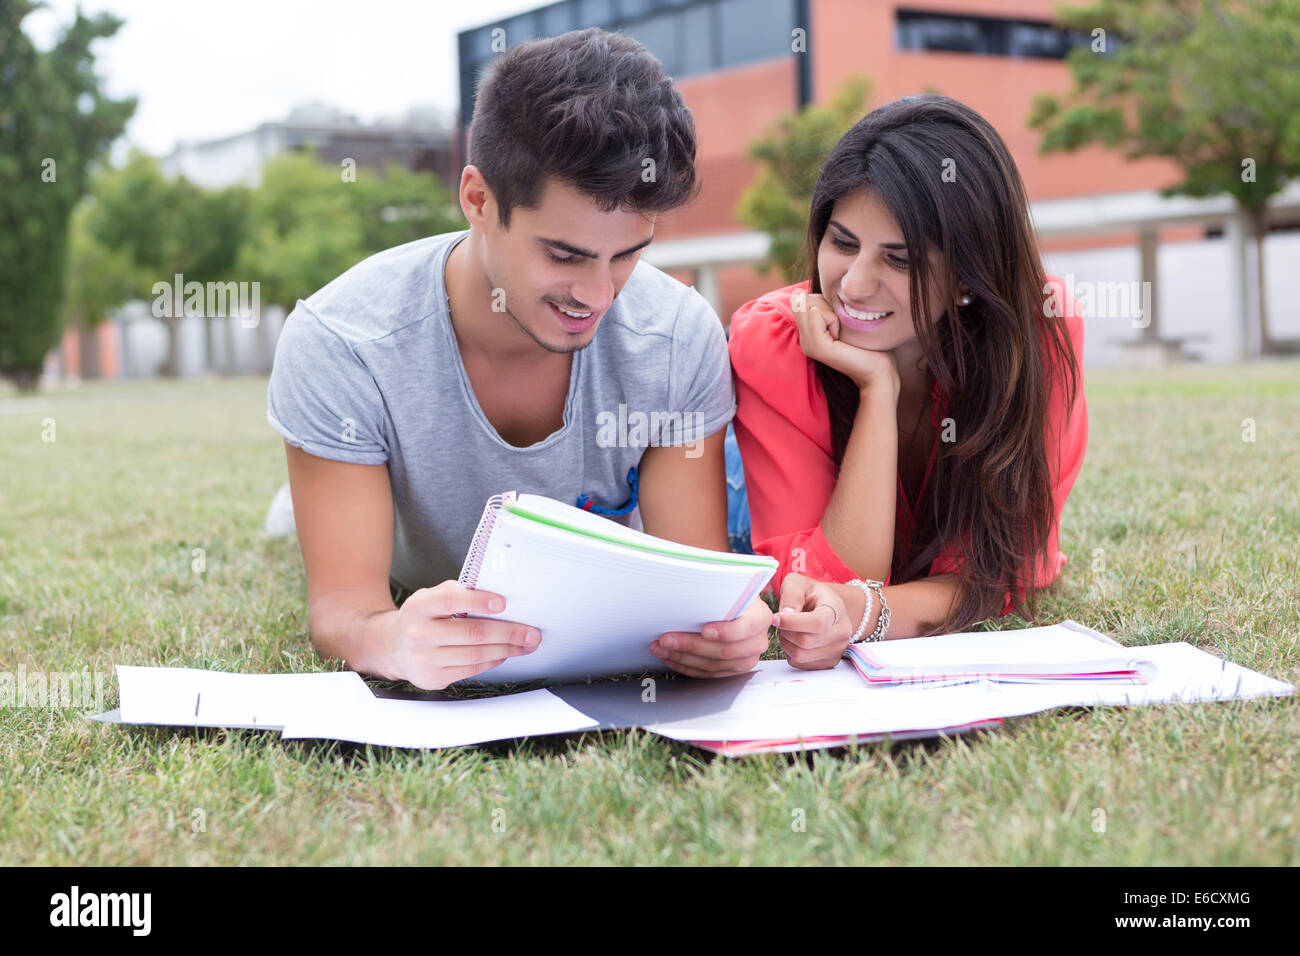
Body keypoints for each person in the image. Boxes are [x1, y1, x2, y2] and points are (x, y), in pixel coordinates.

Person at [266, 28, 771, 690]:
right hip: (392, 513)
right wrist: (385, 637)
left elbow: (693, 583)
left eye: (627, 255)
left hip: (589, 553)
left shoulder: (675, 337)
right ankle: (303, 499)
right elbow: (345, 612)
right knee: (300, 527)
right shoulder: (343, 345)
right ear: (478, 200)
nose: (596, 295)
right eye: (564, 255)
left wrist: (724, 635)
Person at [727, 94, 1087, 669]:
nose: (854, 286)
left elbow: (1002, 576)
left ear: (971, 274)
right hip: (740, 508)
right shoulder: (774, 340)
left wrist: (871, 613)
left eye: (899, 259)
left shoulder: (1038, 329)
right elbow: (825, 584)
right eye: (843, 243)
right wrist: (876, 387)